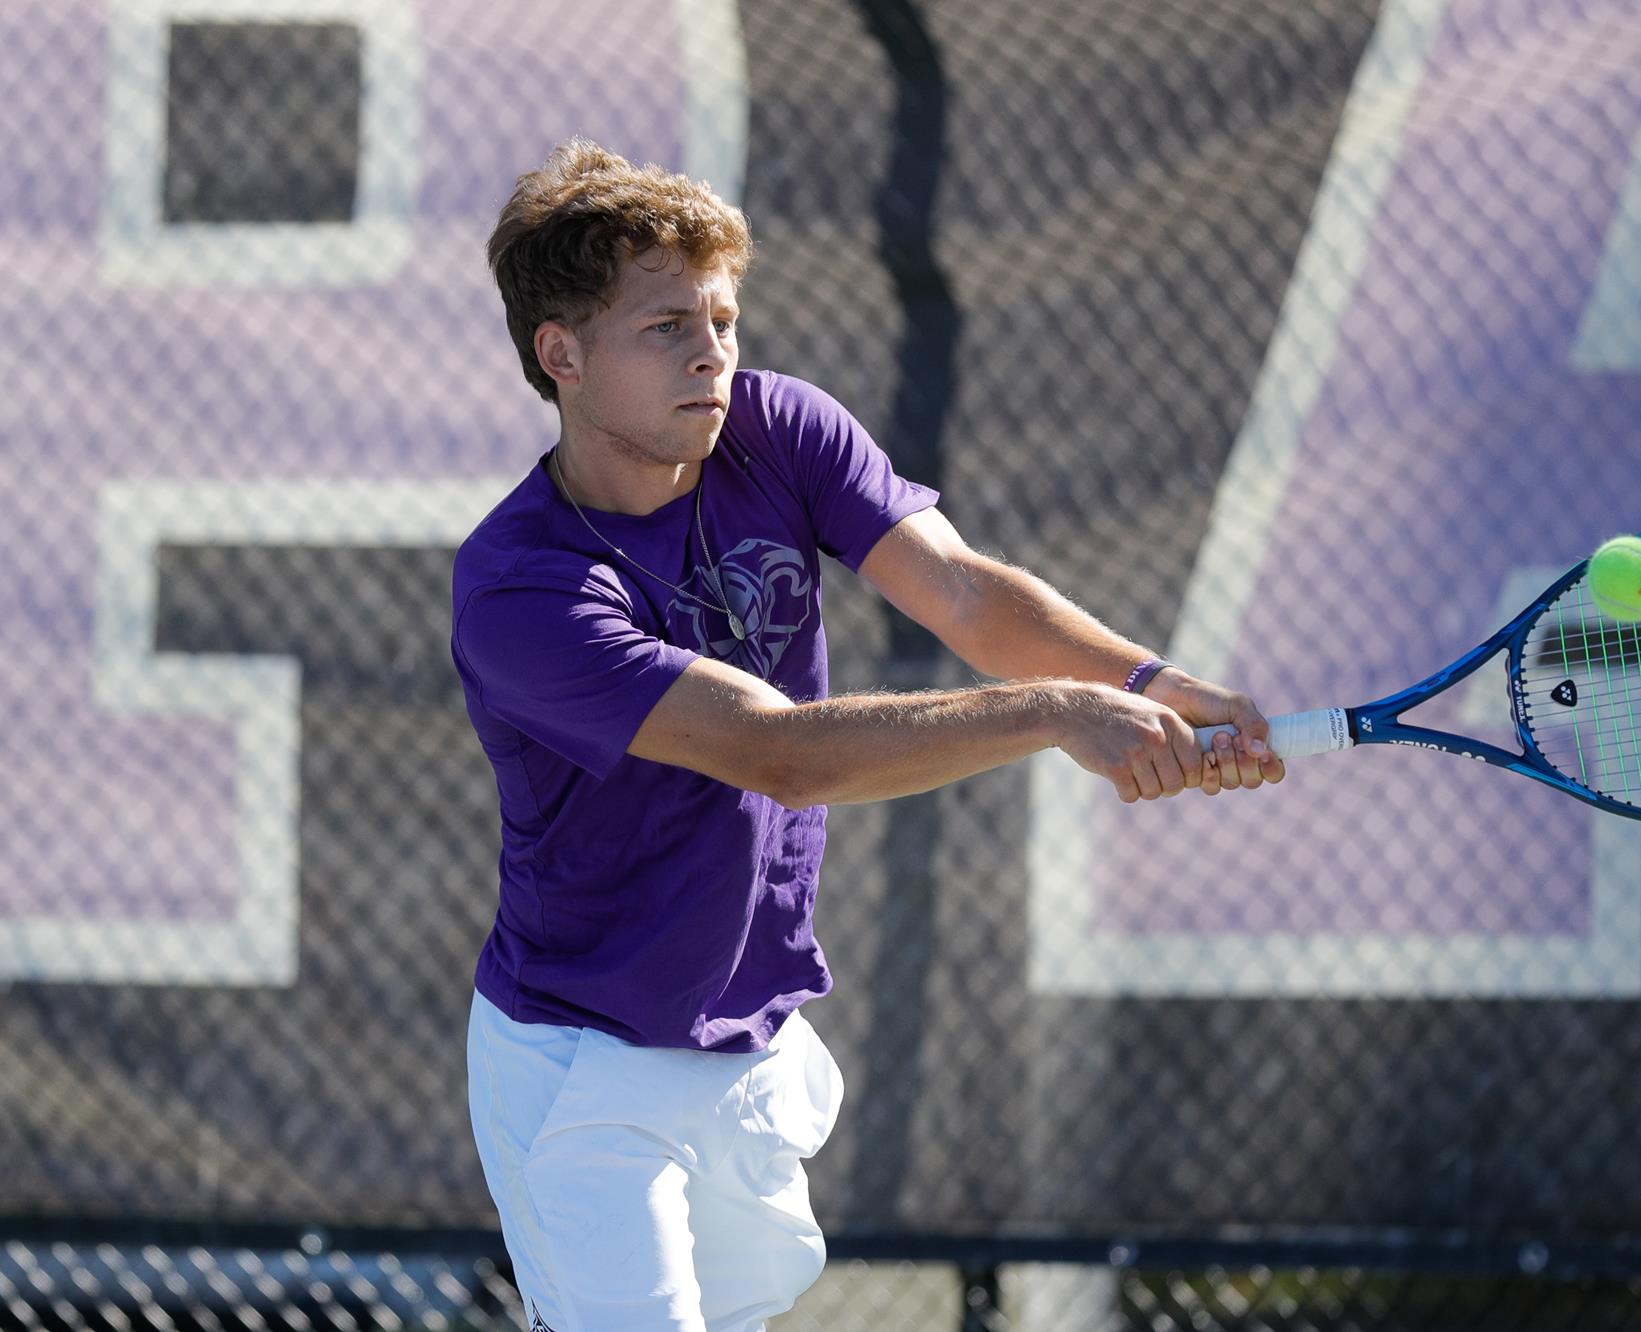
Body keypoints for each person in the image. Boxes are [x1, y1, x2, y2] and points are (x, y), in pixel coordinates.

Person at [451, 138, 1286, 1332]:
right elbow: (779, 754)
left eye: (722, 319)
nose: (711, 353)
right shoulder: (522, 588)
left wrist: (1152, 683)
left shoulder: (776, 429)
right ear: (561, 355)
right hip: (581, 1067)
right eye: (666, 327)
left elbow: (962, 594)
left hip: (745, 1039)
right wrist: (1060, 711)